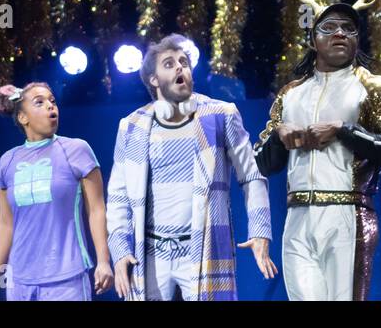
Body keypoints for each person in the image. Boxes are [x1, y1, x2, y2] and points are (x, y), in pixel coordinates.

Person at [255, 0, 381, 301]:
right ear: (313, 39)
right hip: (298, 217)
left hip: (349, 215)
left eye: (349, 29)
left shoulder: (372, 86)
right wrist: (280, 137)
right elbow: (261, 163)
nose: (340, 34)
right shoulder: (291, 93)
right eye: (329, 27)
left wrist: (343, 130)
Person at [107, 34, 276, 300]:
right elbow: (118, 197)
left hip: (203, 249)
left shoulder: (220, 115)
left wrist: (259, 229)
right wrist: (119, 250)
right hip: (151, 255)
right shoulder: (131, 126)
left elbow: (252, 177)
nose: (179, 68)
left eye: (184, 62)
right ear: (153, 79)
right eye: (169, 63)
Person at [0, 82, 112, 301]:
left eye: (52, 101)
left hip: (66, 280)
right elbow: (5, 224)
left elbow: (96, 210)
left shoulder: (76, 150)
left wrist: (104, 261)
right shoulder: (7, 161)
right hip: (19, 281)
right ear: (22, 117)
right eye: (40, 102)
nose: (50, 106)